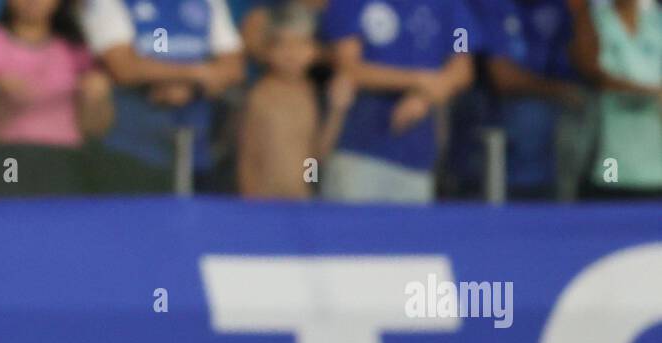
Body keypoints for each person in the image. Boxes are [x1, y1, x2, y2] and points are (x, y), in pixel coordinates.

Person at [320, 0, 478, 203]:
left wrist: (424, 97)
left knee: (411, 233)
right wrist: (420, 81)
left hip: (418, 155)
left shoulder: (451, 8)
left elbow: (462, 69)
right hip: (357, 149)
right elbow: (349, 69)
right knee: (352, 231)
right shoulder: (352, 3)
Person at [80, 0, 245, 193]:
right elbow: (123, 66)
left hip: (197, 141)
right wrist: (196, 74)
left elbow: (233, 65)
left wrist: (188, 84)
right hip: (130, 146)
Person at [0, 0, 114, 196]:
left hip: (65, 160)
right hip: (6, 156)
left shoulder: (76, 48)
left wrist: (95, 98)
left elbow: (97, 128)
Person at [237, 1, 353, 198]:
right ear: (268, 50)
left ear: (314, 51)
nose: (292, 53)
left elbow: (315, 155)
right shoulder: (260, 96)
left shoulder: (310, 95)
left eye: (301, 44)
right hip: (263, 203)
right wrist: (249, 202)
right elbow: (247, 156)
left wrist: (336, 112)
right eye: (282, 44)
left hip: (301, 202)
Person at [472, 0, 584, 200]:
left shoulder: (558, 8)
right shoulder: (490, 6)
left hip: (551, 165)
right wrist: (558, 90)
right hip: (498, 166)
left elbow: (580, 63)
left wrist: (582, 11)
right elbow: (502, 77)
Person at [571, 0, 662, 198]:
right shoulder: (594, 20)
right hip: (610, 158)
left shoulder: (656, 21)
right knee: (610, 209)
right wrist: (649, 92)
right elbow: (592, 73)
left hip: (655, 165)